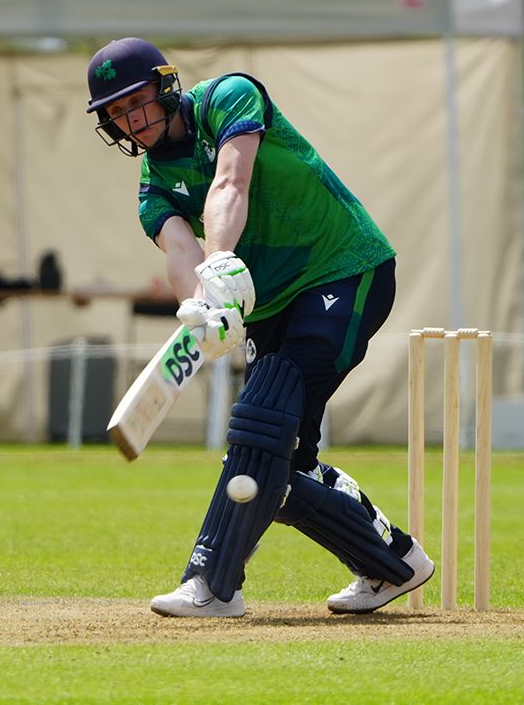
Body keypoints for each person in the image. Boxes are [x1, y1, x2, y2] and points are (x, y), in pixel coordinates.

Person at [85, 37, 434, 618]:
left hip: (344, 268)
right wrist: (200, 308)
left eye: (136, 101)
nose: (132, 121)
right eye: (116, 114)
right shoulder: (154, 184)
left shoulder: (229, 96)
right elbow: (177, 246)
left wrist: (218, 262)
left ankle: (212, 583)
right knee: (283, 461)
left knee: (259, 419)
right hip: (270, 305)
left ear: (166, 86)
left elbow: (230, 182)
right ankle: (392, 563)